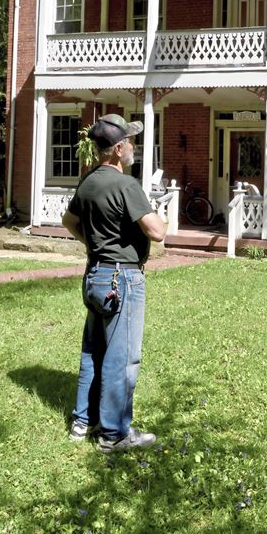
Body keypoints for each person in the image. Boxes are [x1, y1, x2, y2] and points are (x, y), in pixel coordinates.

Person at [62, 114, 166, 453]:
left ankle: (83, 422)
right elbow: (157, 232)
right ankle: (114, 435)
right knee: (122, 358)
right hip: (122, 279)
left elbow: (68, 220)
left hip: (95, 274)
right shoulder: (126, 185)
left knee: (94, 351)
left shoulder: (89, 181)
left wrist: (94, 244)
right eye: (130, 141)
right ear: (119, 148)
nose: (133, 146)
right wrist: (158, 211)